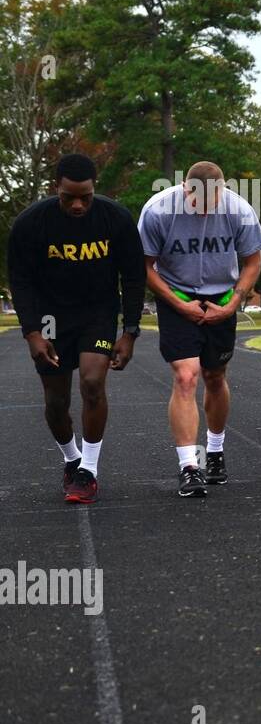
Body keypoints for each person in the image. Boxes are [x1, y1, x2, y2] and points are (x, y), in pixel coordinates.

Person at [6, 153, 146, 503]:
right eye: (70, 197)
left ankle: (88, 471)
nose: (79, 204)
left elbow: (133, 276)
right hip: (50, 315)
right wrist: (32, 332)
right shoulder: (30, 224)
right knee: (56, 401)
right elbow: (19, 281)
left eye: (86, 195)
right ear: (57, 189)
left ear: (94, 188)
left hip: (97, 312)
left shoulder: (115, 219)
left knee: (93, 382)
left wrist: (129, 332)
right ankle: (72, 460)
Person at [138, 161, 261, 497]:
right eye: (199, 202)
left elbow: (253, 260)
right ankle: (189, 467)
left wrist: (234, 301)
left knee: (214, 376)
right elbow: (145, 265)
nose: (206, 209)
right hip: (176, 294)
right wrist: (178, 304)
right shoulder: (157, 211)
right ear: (185, 190)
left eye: (213, 201)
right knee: (186, 376)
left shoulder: (239, 210)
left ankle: (215, 450)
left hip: (221, 296)